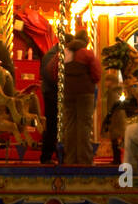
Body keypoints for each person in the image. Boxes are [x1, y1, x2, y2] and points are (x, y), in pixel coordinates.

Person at [61, 29, 100, 165]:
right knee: (84, 125)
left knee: (70, 125)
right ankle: (85, 159)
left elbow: (52, 70)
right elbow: (97, 74)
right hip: (85, 94)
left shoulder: (65, 52)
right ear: (86, 41)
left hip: (68, 93)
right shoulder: (87, 53)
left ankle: (70, 159)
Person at [39, 44, 60, 163]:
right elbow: (50, 75)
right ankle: (46, 155)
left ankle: (49, 154)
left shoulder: (50, 55)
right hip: (52, 93)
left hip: (50, 92)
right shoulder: (52, 56)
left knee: (52, 125)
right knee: (52, 125)